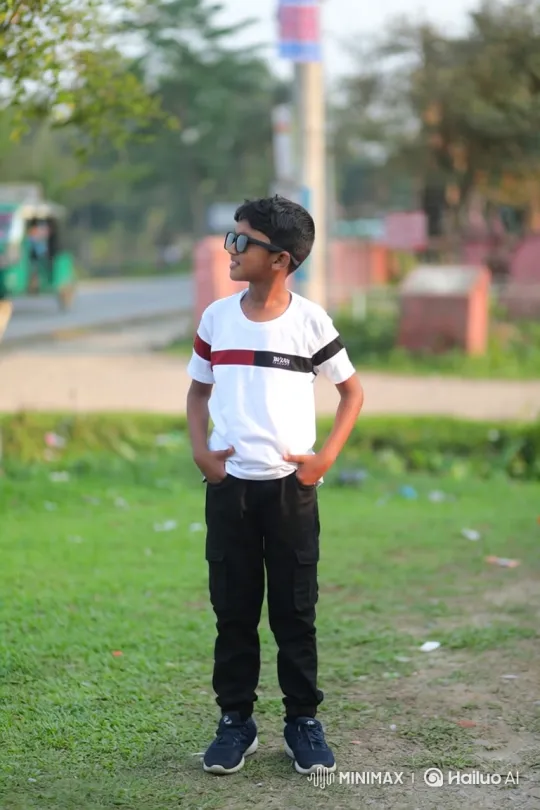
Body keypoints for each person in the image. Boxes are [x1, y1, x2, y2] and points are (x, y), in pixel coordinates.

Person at [186, 195, 364, 777]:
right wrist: (202, 453)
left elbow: (351, 392)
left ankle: (302, 721)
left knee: (294, 611)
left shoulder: (310, 321)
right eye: (230, 237)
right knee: (233, 610)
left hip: (291, 491)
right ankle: (235, 720)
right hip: (230, 490)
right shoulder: (217, 317)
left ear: (280, 259)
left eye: (242, 241)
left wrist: (324, 460)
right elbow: (198, 391)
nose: (229, 250)